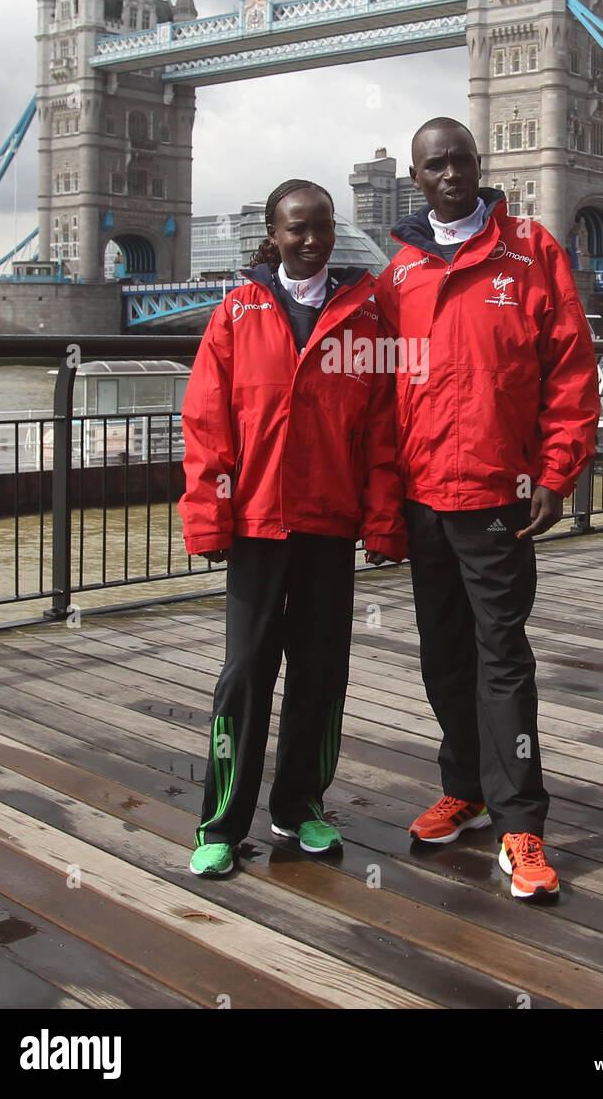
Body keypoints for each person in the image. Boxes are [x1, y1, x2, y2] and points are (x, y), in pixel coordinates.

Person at [374, 118, 600, 900]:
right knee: (442, 654)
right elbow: (372, 394)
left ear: (479, 166)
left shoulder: (530, 250)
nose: (450, 175)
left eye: (461, 161)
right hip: (420, 497)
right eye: (434, 166)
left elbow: (569, 369)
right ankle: (464, 790)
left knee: (501, 658)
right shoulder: (397, 271)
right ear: (416, 178)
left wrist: (556, 471)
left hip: (496, 498)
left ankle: (521, 827)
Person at [178, 179, 406, 877]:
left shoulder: (366, 319)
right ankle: (221, 823)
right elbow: (207, 424)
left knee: (320, 673)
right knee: (245, 674)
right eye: (296, 229)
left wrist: (383, 520)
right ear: (272, 235)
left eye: (322, 227)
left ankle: (299, 805)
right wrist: (207, 516)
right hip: (255, 524)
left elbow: (383, 431)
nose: (311, 240)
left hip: (328, 525)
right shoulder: (235, 314)